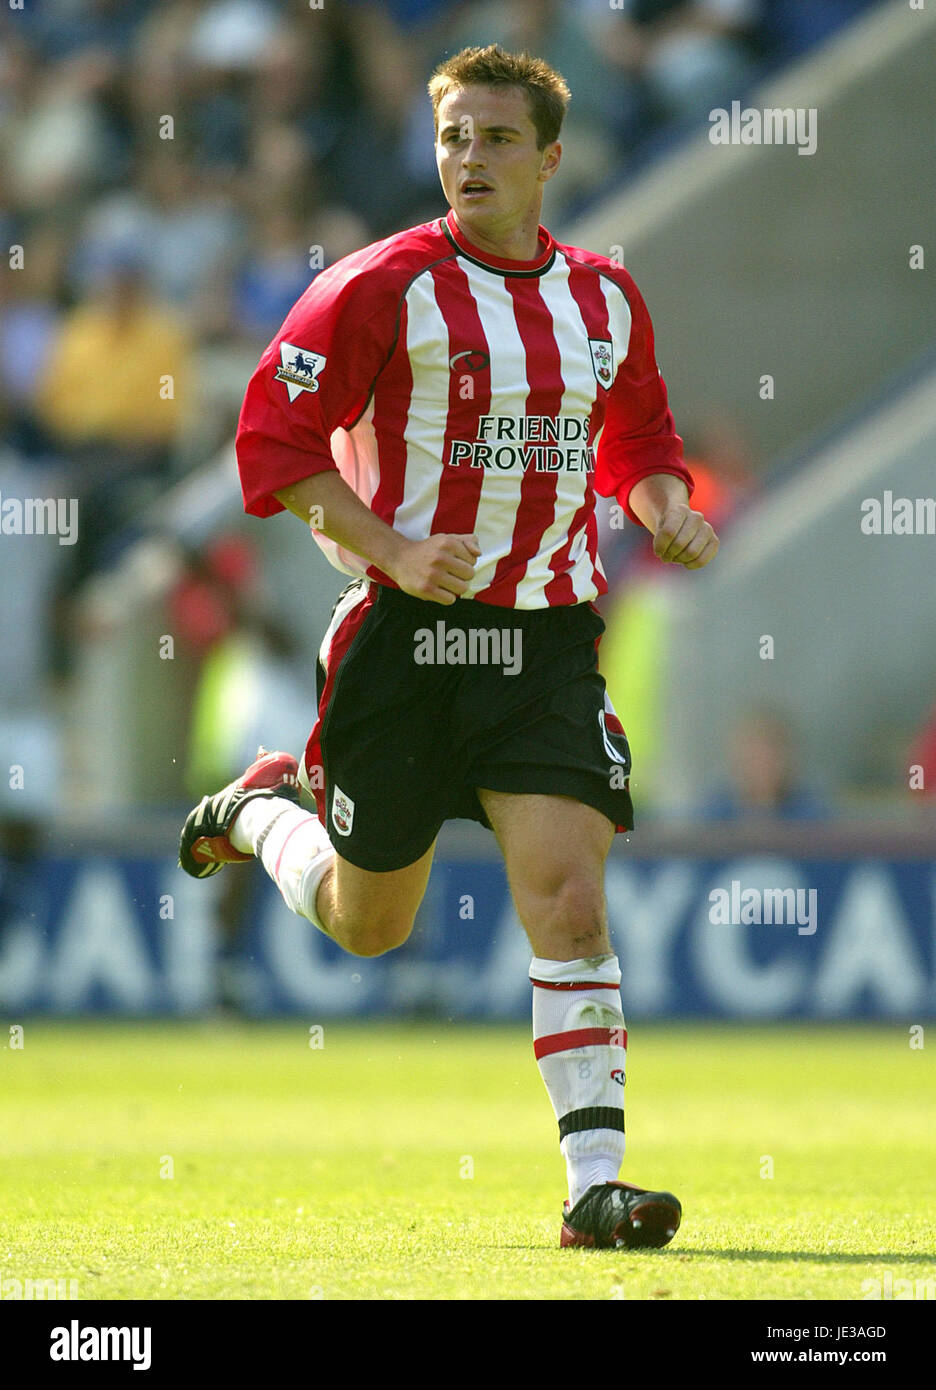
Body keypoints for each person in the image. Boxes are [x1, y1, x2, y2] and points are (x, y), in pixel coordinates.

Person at [178, 44, 718, 1251]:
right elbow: (273, 437)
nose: (470, 158)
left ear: (551, 159)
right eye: (453, 137)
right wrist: (390, 546)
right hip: (407, 643)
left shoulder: (604, 298)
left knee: (569, 900)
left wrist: (663, 504)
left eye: (498, 138)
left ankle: (594, 1188)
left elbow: (637, 435)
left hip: (545, 647)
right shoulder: (378, 288)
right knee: (370, 923)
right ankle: (263, 808)